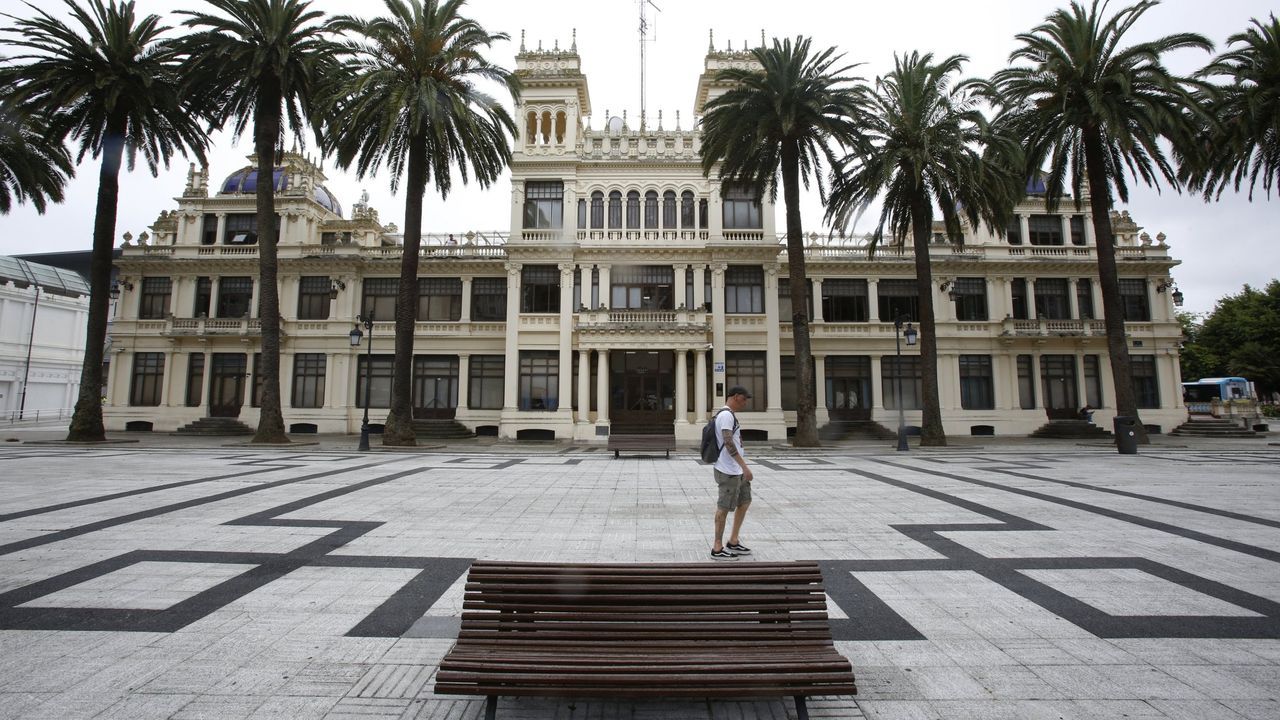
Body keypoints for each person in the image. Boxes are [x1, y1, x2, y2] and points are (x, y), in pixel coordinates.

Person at [711, 385, 754, 561]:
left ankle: (733, 541)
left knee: (744, 501)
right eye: (744, 399)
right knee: (723, 508)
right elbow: (729, 443)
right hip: (728, 471)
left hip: (736, 471)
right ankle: (717, 547)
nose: (745, 403)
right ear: (736, 397)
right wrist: (744, 467)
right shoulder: (726, 415)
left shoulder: (729, 415)